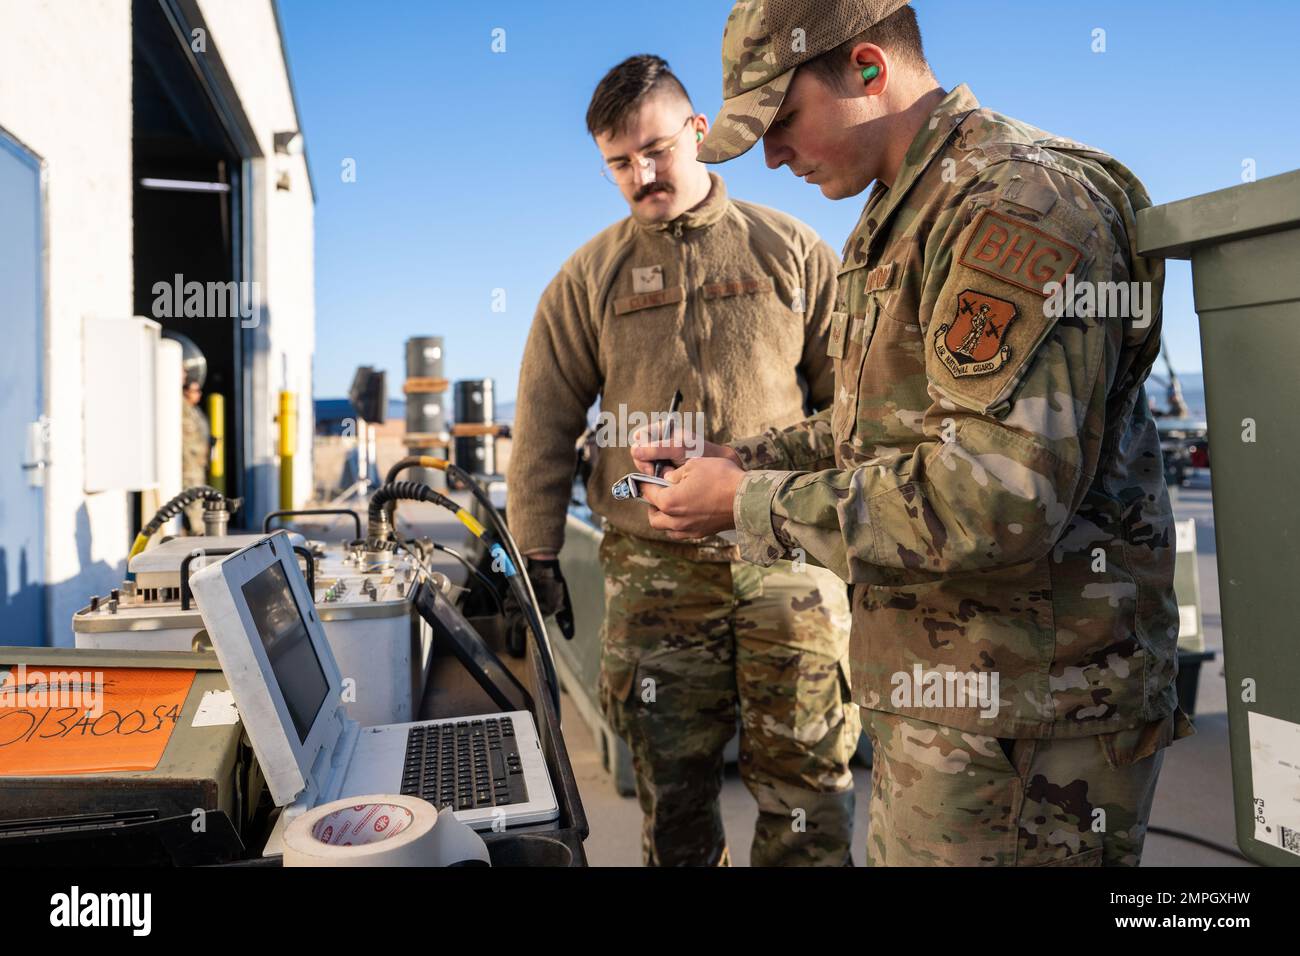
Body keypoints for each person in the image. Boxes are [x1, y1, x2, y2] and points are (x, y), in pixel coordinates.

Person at [632, 0, 1193, 866]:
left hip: (1031, 728)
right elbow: (874, 432)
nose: (773, 155)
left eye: (782, 120)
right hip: (952, 705)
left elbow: (994, 497)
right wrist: (737, 459)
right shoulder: (905, 207)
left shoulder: (1015, 203)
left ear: (867, 69)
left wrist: (750, 503)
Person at [506, 54, 859, 866]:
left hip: (786, 557)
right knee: (672, 786)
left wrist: (857, 535)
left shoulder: (791, 251)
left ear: (699, 130)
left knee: (809, 778)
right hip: (653, 572)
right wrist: (537, 549)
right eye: (619, 163)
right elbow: (544, 421)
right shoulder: (590, 277)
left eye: (656, 150)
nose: (641, 175)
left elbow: (857, 404)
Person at [180, 350, 211, 534]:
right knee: (193, 509)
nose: (198, 394)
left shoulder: (193, 411)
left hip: (196, 466)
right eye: (194, 390)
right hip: (187, 468)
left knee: (198, 506)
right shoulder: (180, 408)